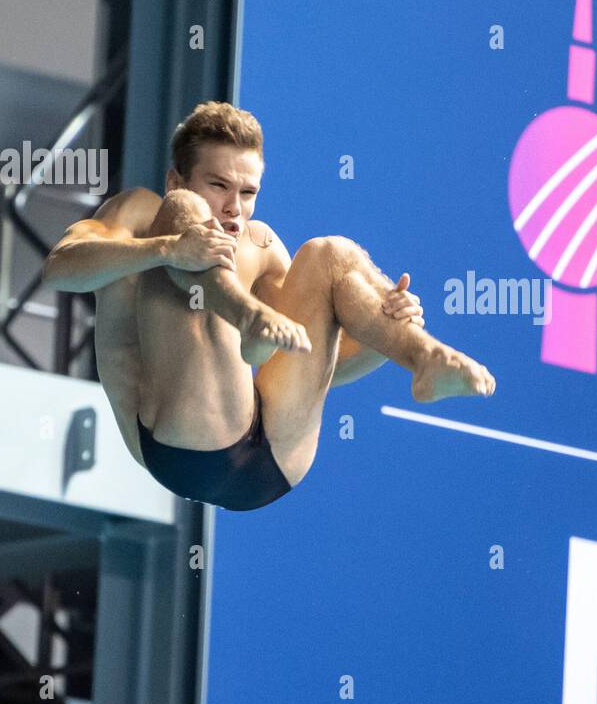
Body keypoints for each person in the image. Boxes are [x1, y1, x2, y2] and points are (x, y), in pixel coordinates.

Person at [42, 101, 495, 510]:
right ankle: (244, 313)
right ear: (175, 177)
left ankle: (423, 356)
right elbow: (61, 269)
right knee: (183, 214)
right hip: (180, 445)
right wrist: (165, 250)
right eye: (218, 185)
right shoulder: (138, 212)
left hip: (273, 461)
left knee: (330, 254)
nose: (234, 209)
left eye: (247, 193)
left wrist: (384, 332)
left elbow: (320, 367)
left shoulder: (261, 247)